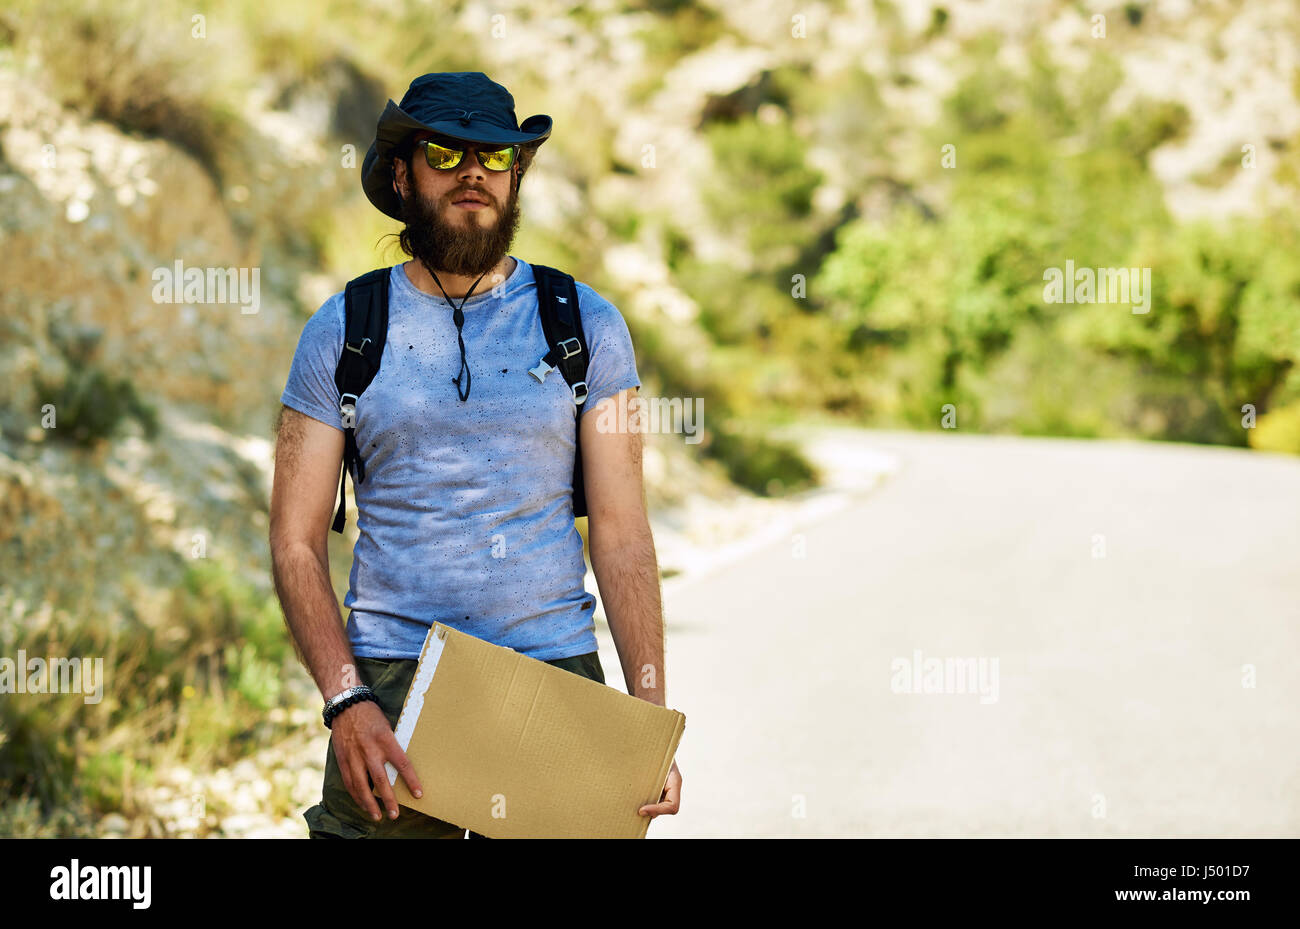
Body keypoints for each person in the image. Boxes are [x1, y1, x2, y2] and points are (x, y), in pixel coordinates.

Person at [270, 72, 682, 838]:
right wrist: (344, 699)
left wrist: (648, 722)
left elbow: (623, 534)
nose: (472, 173)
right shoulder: (344, 328)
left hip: (554, 678)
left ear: (515, 174)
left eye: (494, 155)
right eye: (445, 151)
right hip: (392, 691)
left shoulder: (587, 325)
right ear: (403, 173)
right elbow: (294, 542)